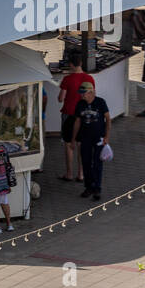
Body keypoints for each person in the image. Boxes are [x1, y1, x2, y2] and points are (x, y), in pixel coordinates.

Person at [56, 53, 94, 182]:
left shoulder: (67, 79)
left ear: (71, 64)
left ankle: (69, 173)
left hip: (69, 114)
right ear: (81, 63)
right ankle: (81, 174)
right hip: (83, 115)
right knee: (81, 144)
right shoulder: (89, 78)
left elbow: (60, 98)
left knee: (68, 144)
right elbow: (92, 97)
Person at [71, 80, 111, 201]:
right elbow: (77, 121)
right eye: (81, 93)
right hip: (85, 138)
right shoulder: (80, 104)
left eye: (84, 93)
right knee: (86, 162)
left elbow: (108, 119)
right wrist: (73, 139)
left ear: (91, 92)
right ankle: (89, 187)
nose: (82, 95)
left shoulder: (100, 102)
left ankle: (97, 188)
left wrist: (107, 137)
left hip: (99, 138)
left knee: (97, 163)